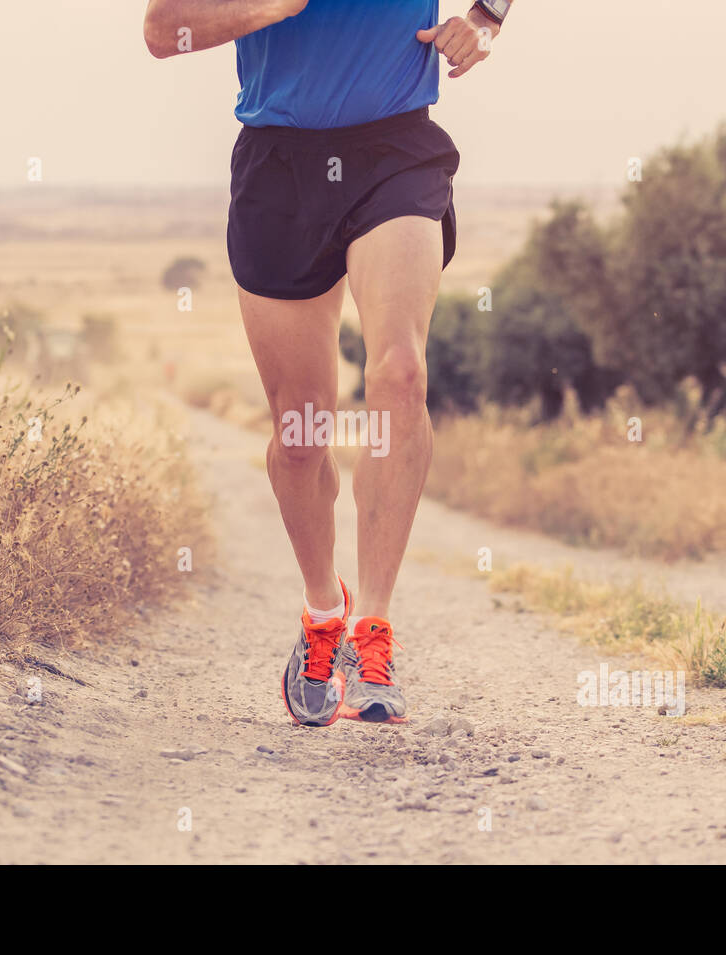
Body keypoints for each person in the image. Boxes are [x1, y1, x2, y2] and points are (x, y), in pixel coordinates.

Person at [144, 0, 515, 725]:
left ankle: (374, 630)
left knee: (400, 374)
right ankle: (324, 612)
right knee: (300, 432)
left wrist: (485, 16)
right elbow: (163, 31)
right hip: (278, 165)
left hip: (396, 151)